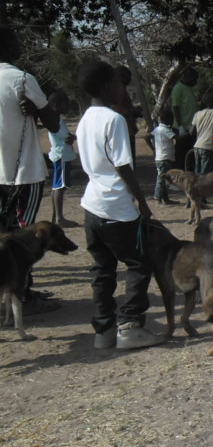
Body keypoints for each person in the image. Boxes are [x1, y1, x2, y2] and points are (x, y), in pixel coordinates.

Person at [76, 59, 165, 350]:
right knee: (140, 262)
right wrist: (141, 202)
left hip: (92, 205)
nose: (122, 89)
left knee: (103, 270)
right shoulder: (113, 120)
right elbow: (124, 167)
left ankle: (104, 332)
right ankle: (129, 325)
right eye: (118, 83)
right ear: (106, 86)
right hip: (116, 206)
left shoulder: (85, 118)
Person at [0, 25, 61, 313]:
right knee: (25, 237)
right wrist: (36, 110)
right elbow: (54, 124)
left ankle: (13, 295)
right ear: (10, 47)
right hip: (24, 172)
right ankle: (23, 295)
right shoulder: (22, 79)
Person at [46, 90, 78, 227]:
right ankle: (60, 218)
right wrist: (76, 136)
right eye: (65, 104)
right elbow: (67, 138)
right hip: (62, 156)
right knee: (60, 186)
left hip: (59, 155)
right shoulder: (56, 121)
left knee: (56, 186)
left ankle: (56, 217)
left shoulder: (54, 119)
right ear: (56, 105)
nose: (67, 107)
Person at [170, 66, 199, 168]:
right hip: (181, 128)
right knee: (181, 155)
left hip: (191, 128)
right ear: (188, 77)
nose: (195, 81)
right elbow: (176, 107)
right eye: (194, 79)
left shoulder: (189, 88)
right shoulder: (178, 88)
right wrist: (180, 126)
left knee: (190, 155)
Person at [113, 65, 140, 164]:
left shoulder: (121, 89)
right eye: (128, 76)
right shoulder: (118, 89)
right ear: (122, 76)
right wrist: (132, 111)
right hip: (125, 130)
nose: (130, 79)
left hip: (127, 128)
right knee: (128, 160)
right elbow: (116, 108)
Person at [151, 107, 176, 204]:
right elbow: (176, 138)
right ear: (169, 120)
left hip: (159, 157)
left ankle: (165, 198)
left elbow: (149, 136)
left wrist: (153, 147)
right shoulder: (166, 130)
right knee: (161, 179)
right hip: (165, 158)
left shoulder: (157, 129)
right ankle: (157, 196)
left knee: (163, 178)